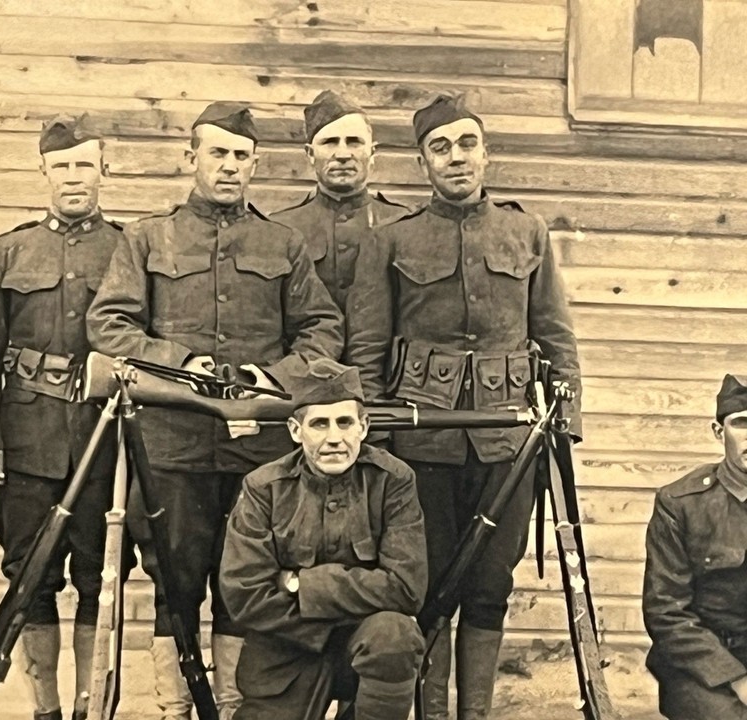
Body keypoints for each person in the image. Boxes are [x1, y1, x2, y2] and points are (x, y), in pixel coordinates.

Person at [86, 101, 343, 720]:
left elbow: (323, 330)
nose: (229, 167)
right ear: (192, 157)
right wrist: (181, 362)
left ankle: (230, 709)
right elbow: (109, 323)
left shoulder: (283, 242)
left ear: (255, 163)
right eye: (217, 153)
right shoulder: (148, 237)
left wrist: (271, 375)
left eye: (241, 156)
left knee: (245, 582)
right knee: (176, 582)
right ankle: (176, 710)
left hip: (259, 453)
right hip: (172, 444)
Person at [346, 92, 582, 719]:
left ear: (486, 151)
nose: (456, 158)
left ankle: (474, 715)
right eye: (440, 147)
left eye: (466, 143)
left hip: (509, 443)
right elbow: (367, 346)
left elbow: (555, 334)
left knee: (489, 589)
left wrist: (566, 423)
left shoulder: (524, 230)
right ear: (422, 162)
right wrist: (374, 438)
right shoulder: (392, 241)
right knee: (427, 589)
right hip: (422, 445)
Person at [0, 114, 129, 720]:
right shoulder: (8, 250)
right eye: (61, 165)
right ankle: (47, 710)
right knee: (29, 577)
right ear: (43, 172)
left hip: (102, 437)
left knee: (95, 575)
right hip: (25, 441)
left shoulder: (127, 246)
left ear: (103, 171)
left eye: (85, 164)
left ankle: (87, 708)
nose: (73, 176)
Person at [219, 358, 427, 720]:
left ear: (363, 427)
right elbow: (245, 595)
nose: (334, 438)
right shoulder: (262, 487)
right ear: (296, 430)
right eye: (319, 424)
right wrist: (351, 600)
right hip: (283, 660)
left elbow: (407, 588)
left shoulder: (393, 480)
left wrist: (300, 584)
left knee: (394, 635)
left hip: (363, 649)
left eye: (345, 422)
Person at [643, 374, 747, 720]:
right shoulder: (680, 503)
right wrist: (737, 679)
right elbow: (666, 613)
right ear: (719, 432)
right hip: (701, 665)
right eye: (742, 423)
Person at [270, 90, 409, 315]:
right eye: (330, 142)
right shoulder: (279, 229)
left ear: (372, 153)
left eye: (354, 142)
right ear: (310, 154)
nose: (343, 154)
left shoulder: (402, 223)